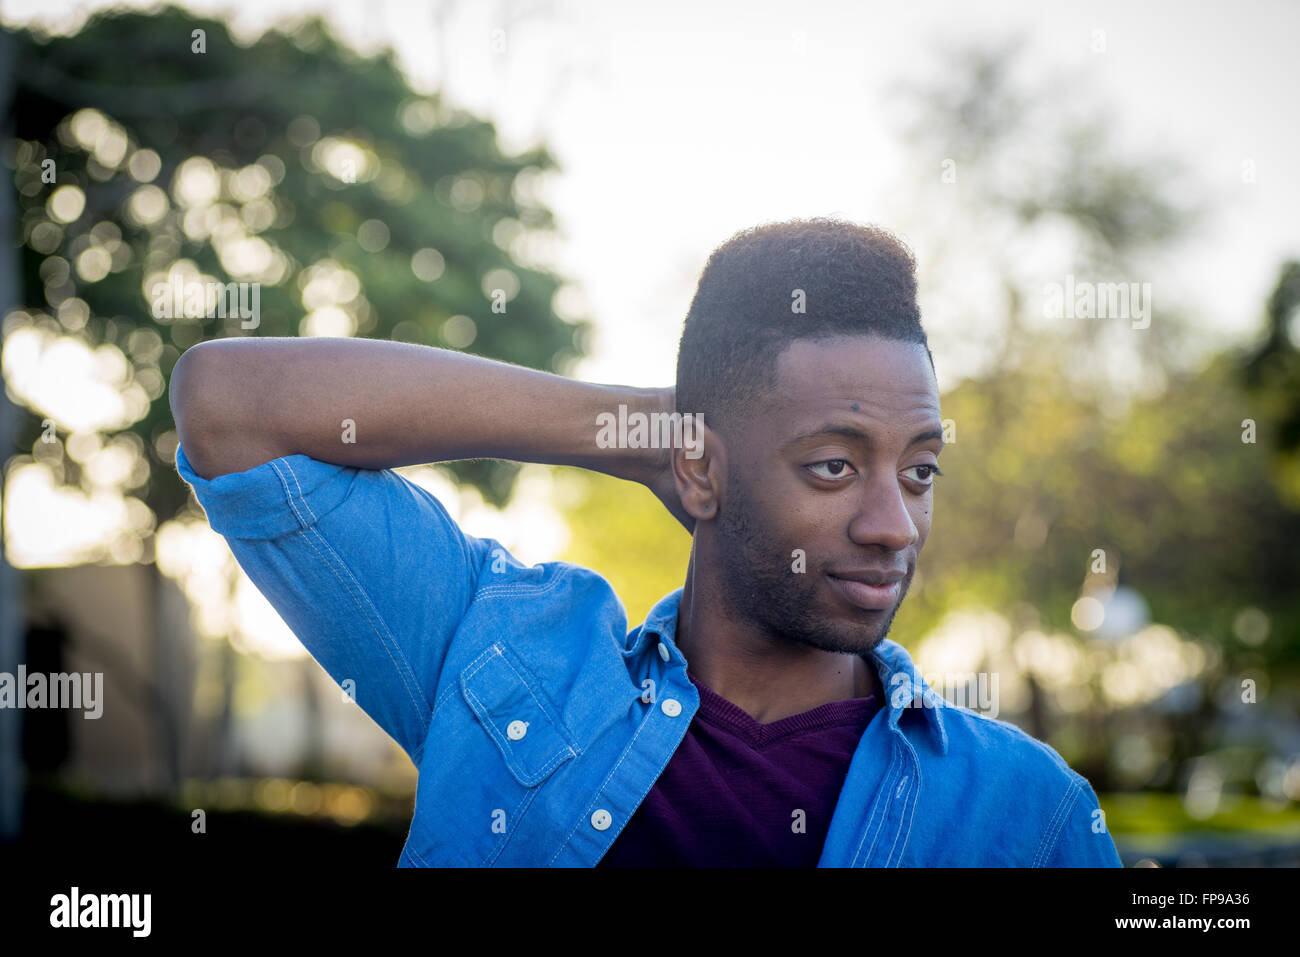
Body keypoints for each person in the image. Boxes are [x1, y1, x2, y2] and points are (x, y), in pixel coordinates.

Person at [168, 217, 1123, 867]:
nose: (892, 526)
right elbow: (228, 405)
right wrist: (640, 430)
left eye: (919, 471)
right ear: (701, 471)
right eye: (832, 466)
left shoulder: (1027, 812)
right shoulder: (510, 663)